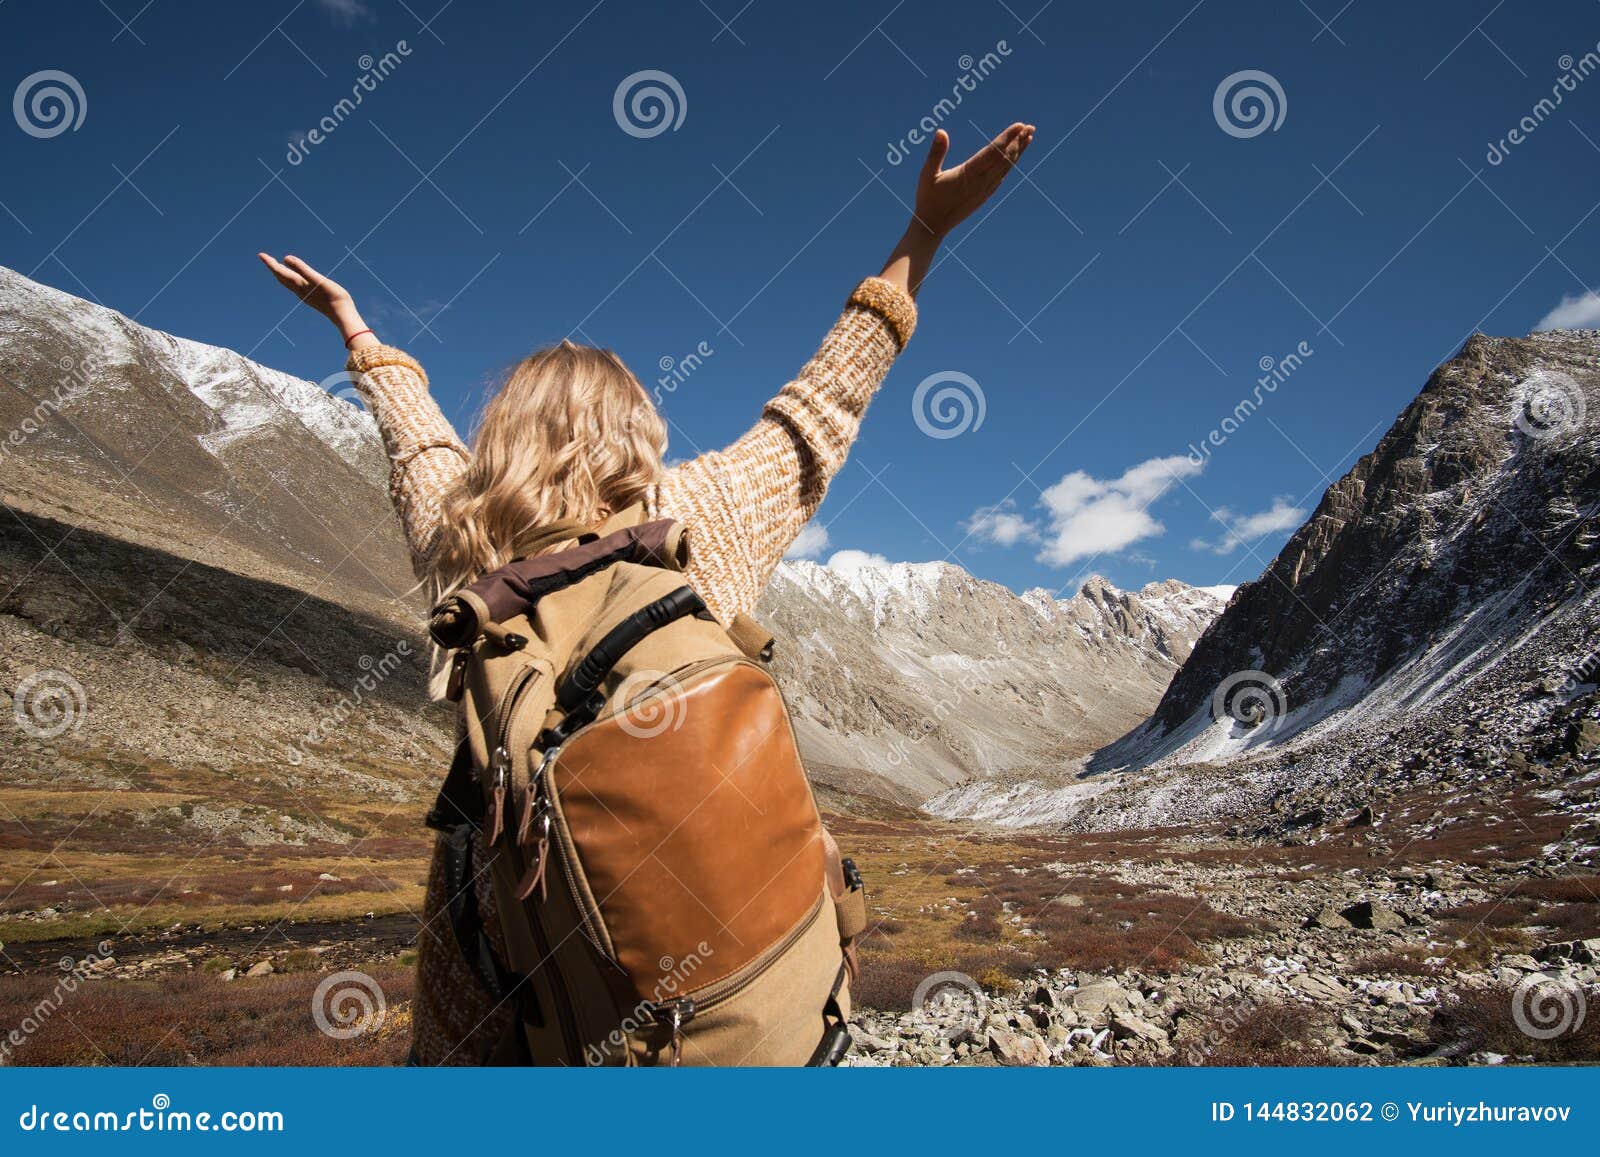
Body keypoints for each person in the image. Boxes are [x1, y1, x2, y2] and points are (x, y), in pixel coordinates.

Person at [259, 122, 1035, 1064]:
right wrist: (925, 231)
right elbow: (821, 407)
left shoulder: (474, 556)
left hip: (502, 980)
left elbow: (420, 448)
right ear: (640, 428)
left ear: (502, 444)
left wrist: (360, 335)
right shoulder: (699, 521)